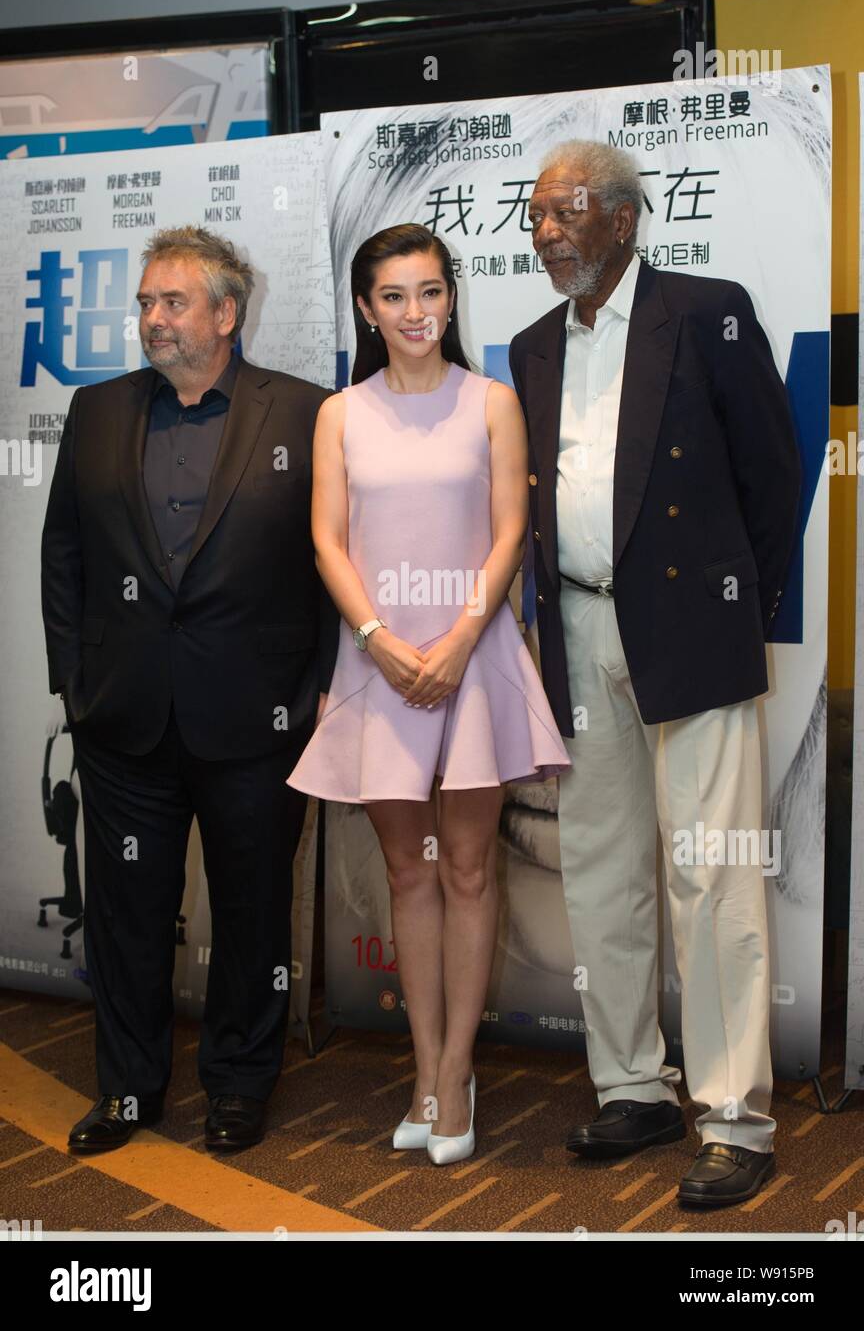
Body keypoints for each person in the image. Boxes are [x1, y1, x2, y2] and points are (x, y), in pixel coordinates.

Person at [509, 140, 801, 1207]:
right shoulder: (532, 344)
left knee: (711, 872)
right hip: (579, 630)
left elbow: (775, 475)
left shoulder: (707, 310)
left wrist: (730, 612)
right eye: (535, 216)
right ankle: (634, 1084)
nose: (546, 231)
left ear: (625, 219)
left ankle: (734, 1116)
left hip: (693, 628)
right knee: (599, 868)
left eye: (566, 211)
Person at [41, 225, 339, 1154]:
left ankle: (240, 1087)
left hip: (258, 719)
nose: (151, 320)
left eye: (171, 303)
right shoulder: (95, 411)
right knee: (126, 918)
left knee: (252, 915)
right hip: (123, 721)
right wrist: (74, 689)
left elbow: (332, 559)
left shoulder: (303, 414)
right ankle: (128, 1093)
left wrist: (320, 687)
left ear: (226, 313)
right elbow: (65, 556)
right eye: (143, 304)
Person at [287, 223, 570, 1164]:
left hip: (472, 658)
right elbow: (328, 540)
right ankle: (422, 1071)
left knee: (468, 871)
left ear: (452, 297)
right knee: (407, 872)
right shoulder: (340, 415)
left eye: (432, 291)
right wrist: (378, 641)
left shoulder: (490, 401)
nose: (417, 312)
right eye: (396, 297)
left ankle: (456, 1079)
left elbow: (510, 533)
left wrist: (454, 642)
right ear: (367, 310)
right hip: (378, 665)